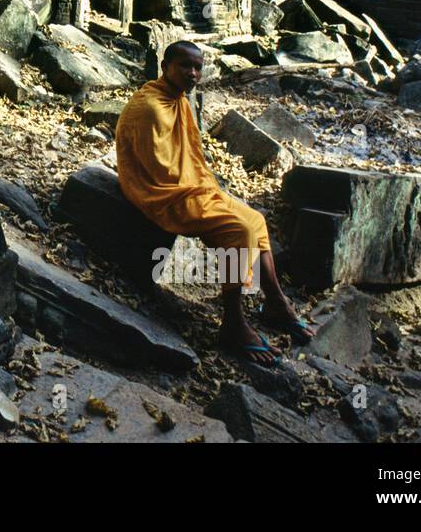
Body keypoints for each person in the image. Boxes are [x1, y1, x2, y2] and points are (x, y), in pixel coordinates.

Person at [115, 41, 315, 364]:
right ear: (165, 67)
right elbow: (161, 170)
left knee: (256, 221)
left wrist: (205, 187)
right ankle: (233, 324)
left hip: (191, 186)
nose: (193, 74)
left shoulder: (177, 100)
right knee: (240, 232)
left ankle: (276, 301)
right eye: (185, 66)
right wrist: (198, 189)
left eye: (198, 67)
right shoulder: (150, 106)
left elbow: (190, 157)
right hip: (162, 193)